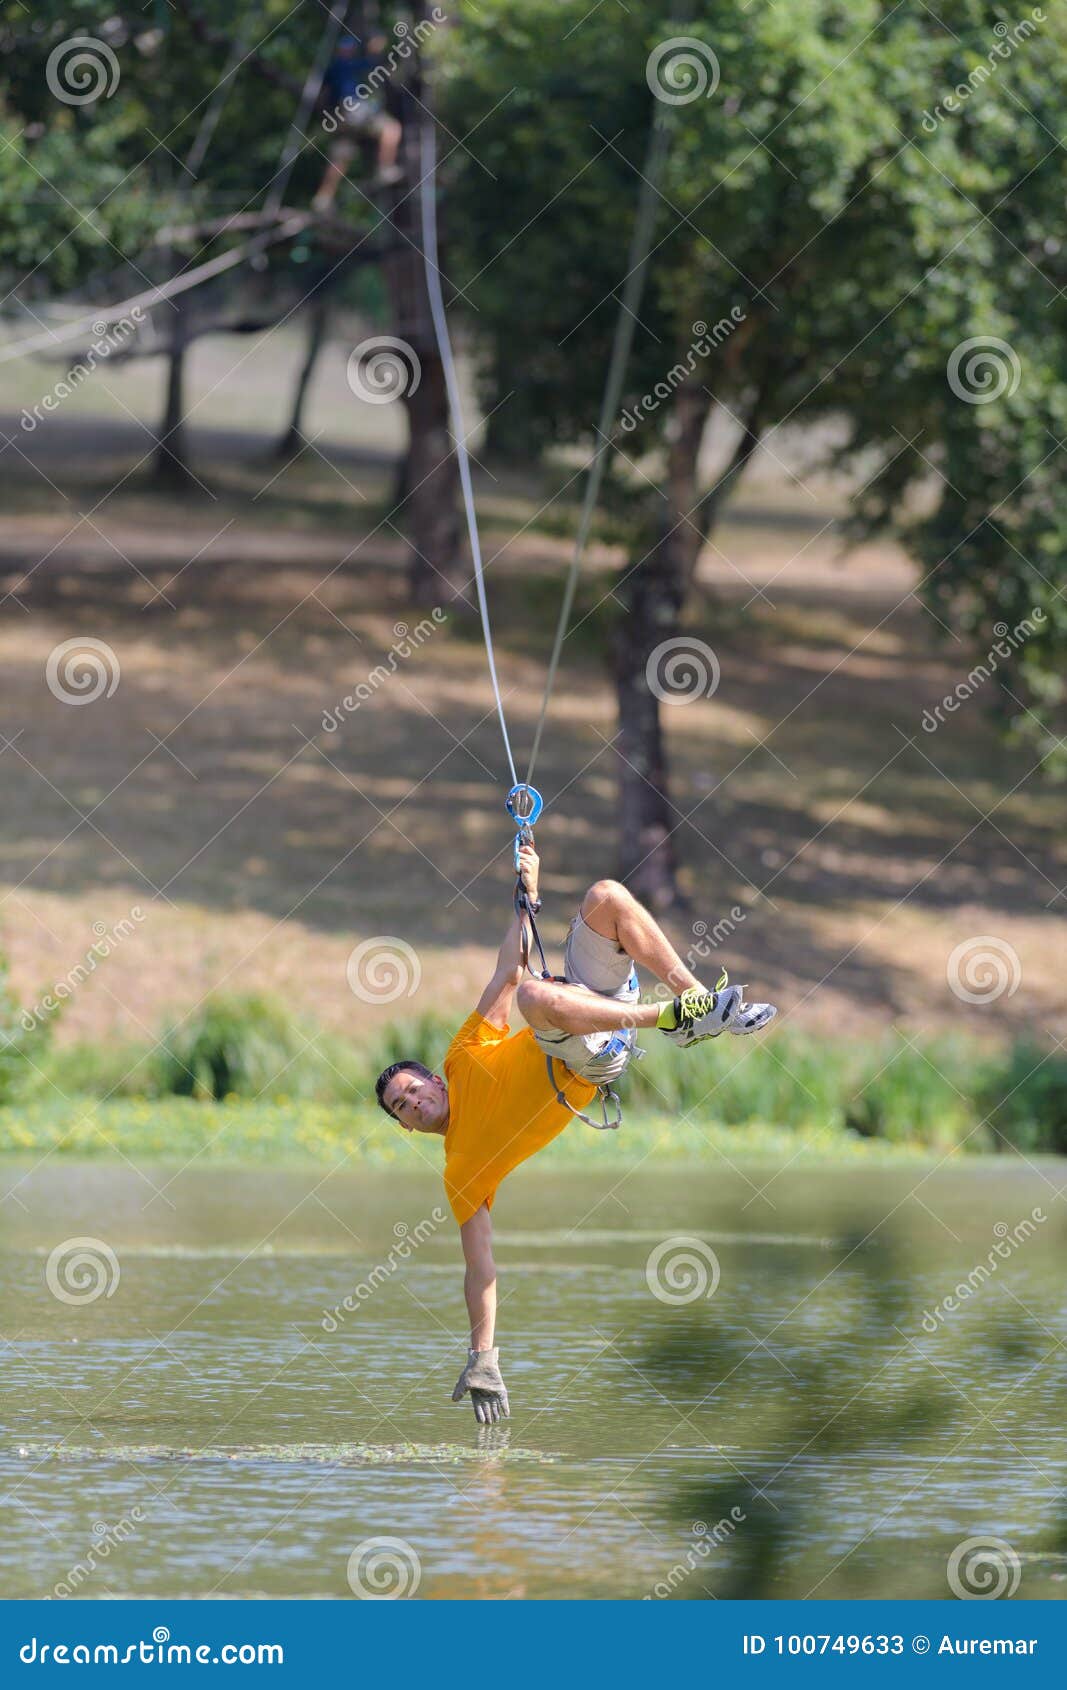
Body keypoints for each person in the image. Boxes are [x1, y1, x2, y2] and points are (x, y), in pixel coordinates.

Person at [375, 845, 777, 1424]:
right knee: (539, 996)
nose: (414, 1101)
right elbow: (480, 1268)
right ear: (408, 1127)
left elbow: (508, 972)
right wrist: (481, 1355)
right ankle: (671, 1018)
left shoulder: (463, 1053)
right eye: (402, 1107)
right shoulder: (461, 1169)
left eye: (413, 1089)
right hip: (588, 1057)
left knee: (606, 896)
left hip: (593, 1008)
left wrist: (526, 898)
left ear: (434, 1079)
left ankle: (694, 1002)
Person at [312, 34, 403, 212]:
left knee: (342, 155)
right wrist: (375, 50)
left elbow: (324, 96)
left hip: (343, 116)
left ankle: (323, 197)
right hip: (356, 111)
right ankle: (385, 168)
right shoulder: (348, 65)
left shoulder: (331, 69)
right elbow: (373, 63)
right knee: (392, 129)